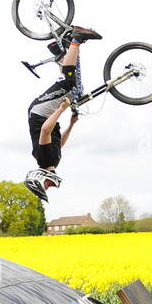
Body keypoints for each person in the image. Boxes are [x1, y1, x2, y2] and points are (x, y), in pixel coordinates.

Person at [23, 24, 101, 203]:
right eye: (49, 187)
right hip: (44, 113)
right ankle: (61, 53)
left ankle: (76, 38)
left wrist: (61, 109)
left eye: (47, 185)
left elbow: (45, 130)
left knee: (68, 84)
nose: (52, 185)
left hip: (40, 112)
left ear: (42, 177)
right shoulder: (53, 161)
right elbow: (60, 143)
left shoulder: (43, 160)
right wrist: (71, 125)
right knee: (77, 91)